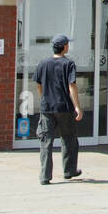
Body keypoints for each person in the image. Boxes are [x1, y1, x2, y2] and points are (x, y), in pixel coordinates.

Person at [34, 33, 81, 184]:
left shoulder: (43, 63)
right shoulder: (68, 64)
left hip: (47, 108)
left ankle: (44, 176)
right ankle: (69, 170)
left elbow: (38, 84)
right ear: (64, 47)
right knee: (69, 139)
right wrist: (77, 107)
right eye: (67, 44)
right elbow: (71, 86)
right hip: (64, 108)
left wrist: (43, 98)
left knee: (46, 141)